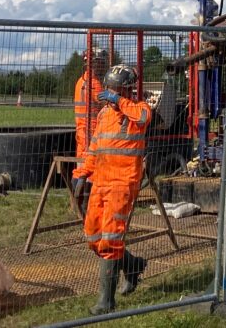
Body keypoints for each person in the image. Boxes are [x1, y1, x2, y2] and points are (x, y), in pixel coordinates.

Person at [78, 63, 152, 315]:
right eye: (109, 89)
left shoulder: (138, 109)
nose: (109, 94)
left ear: (126, 91)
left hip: (122, 183)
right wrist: (83, 173)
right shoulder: (103, 116)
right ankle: (132, 265)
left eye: (115, 89)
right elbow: (95, 147)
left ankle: (106, 302)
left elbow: (143, 117)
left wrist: (119, 100)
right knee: (93, 236)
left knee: (110, 238)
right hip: (100, 181)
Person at [71, 49, 110, 206]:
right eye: (100, 63)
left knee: (81, 166)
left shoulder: (81, 81)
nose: (102, 66)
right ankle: (85, 203)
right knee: (89, 167)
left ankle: (78, 202)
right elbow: (105, 101)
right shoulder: (94, 83)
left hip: (83, 130)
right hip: (91, 131)